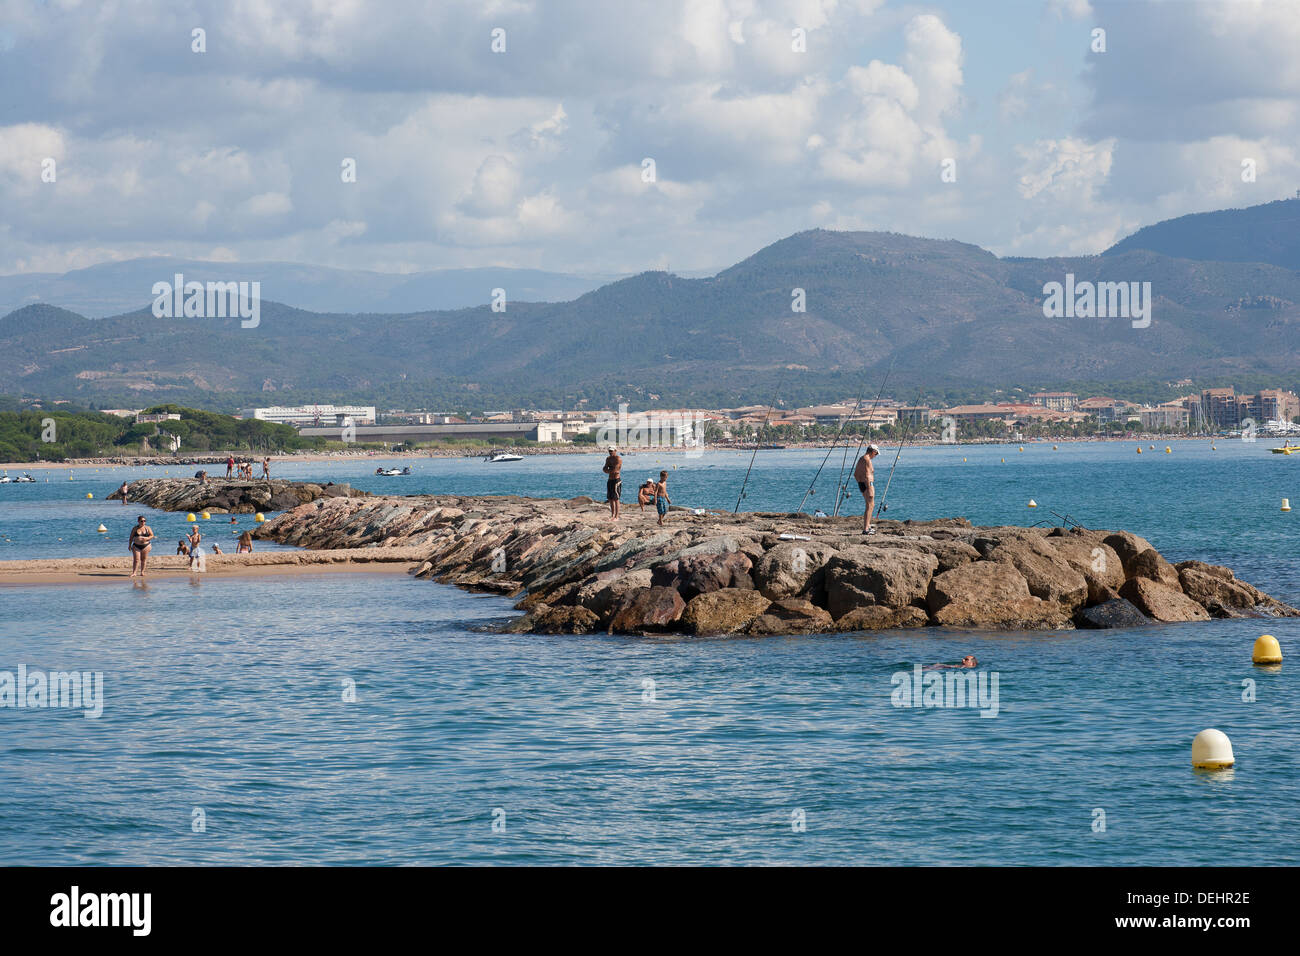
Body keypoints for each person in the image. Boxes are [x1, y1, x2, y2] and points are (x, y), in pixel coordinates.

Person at [853, 443, 881, 535]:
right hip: (868, 484)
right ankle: (866, 529)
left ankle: (868, 526)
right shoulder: (867, 459)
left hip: (862, 484)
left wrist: (860, 484)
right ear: (873, 452)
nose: (876, 456)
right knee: (870, 506)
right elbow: (868, 475)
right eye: (876, 454)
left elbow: (856, 474)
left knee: (870, 505)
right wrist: (869, 487)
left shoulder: (861, 459)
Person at [602, 446, 622, 520]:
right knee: (610, 498)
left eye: (612, 451)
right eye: (609, 451)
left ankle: (617, 516)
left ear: (615, 451)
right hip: (610, 479)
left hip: (616, 480)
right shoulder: (608, 459)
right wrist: (609, 470)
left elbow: (615, 470)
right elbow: (604, 468)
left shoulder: (618, 459)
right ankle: (612, 515)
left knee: (616, 498)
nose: (610, 452)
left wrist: (609, 470)